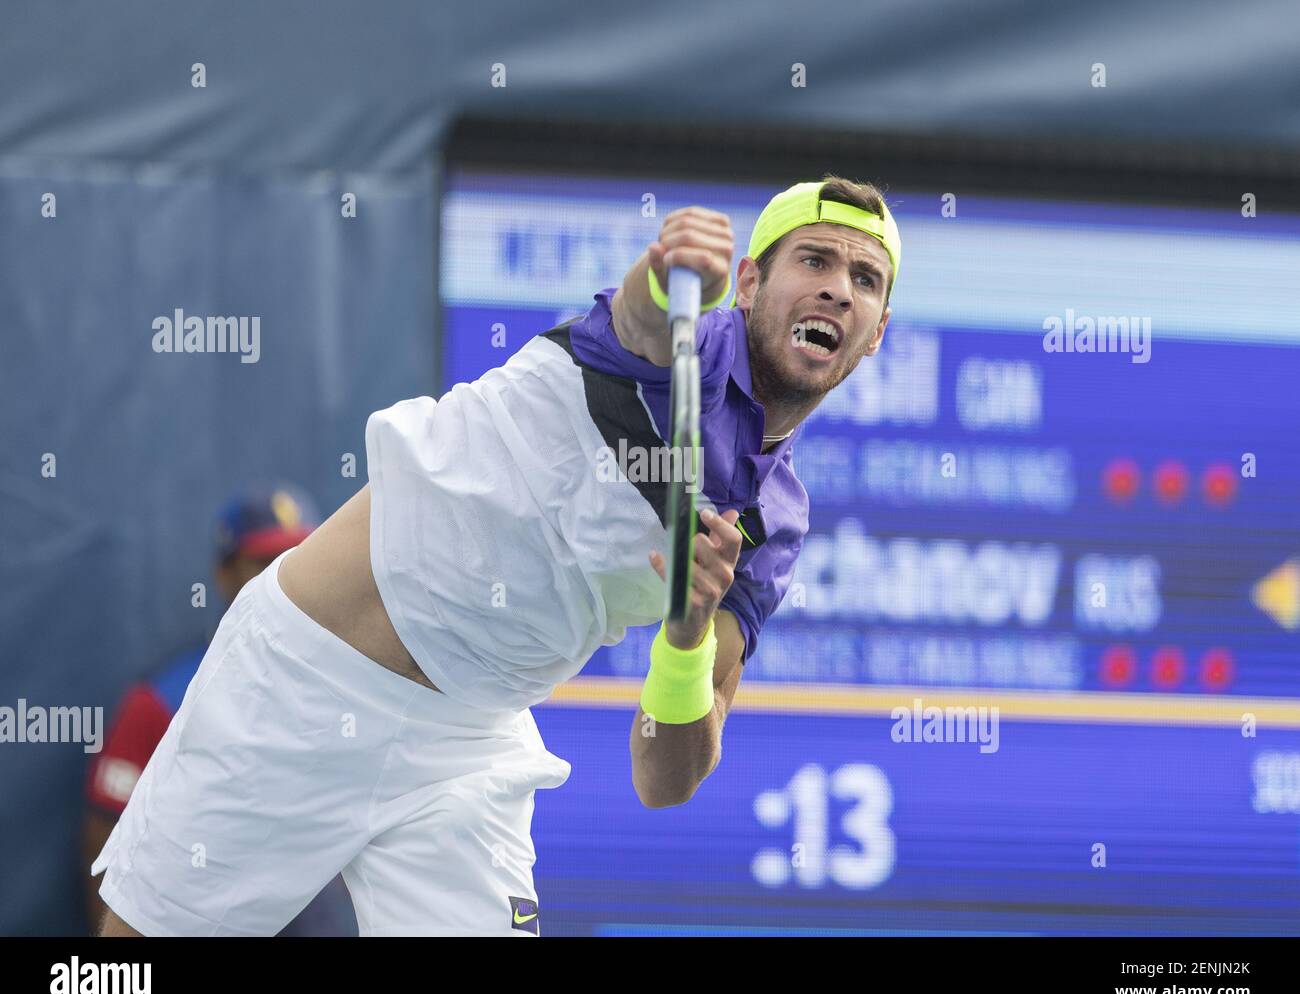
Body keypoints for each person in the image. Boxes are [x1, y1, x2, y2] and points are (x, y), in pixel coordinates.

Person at [91, 174, 899, 937]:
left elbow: (665, 779)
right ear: (751, 282)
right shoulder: (674, 343)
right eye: (815, 260)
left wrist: (685, 640)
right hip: (303, 674)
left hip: (466, 750)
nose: (837, 288)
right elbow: (641, 317)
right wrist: (663, 274)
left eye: (865, 278)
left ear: (875, 336)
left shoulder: (770, 527)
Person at [83, 487, 355, 936]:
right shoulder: (161, 702)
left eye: (299, 559)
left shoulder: (353, 691)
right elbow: (105, 835)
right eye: (265, 563)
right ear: (224, 573)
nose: (284, 577)